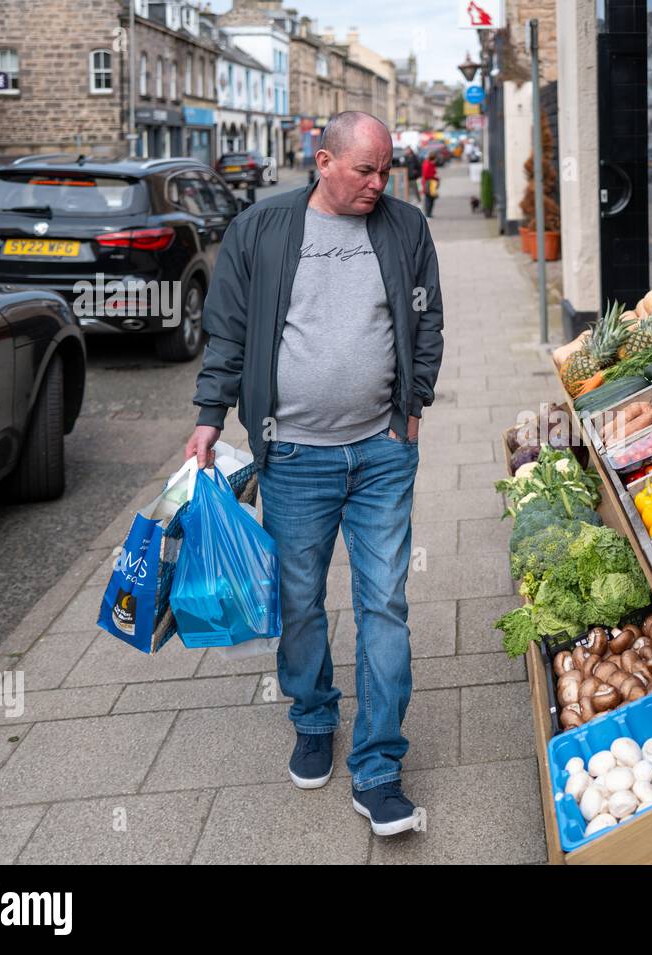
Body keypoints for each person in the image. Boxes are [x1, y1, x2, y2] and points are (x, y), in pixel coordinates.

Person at [186, 111, 444, 837]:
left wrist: (413, 406)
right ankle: (313, 714)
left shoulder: (404, 226)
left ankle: (381, 765)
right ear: (323, 160)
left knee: (384, 604)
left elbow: (427, 321)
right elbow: (228, 328)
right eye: (365, 169)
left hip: (383, 451)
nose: (378, 183)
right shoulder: (261, 230)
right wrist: (210, 414)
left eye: (386, 169)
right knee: (298, 599)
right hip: (293, 453)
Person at [421, 152, 439, 218]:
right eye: (436, 159)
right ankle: (427, 213)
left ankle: (429, 213)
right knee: (428, 198)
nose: (436, 161)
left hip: (431, 183)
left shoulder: (431, 164)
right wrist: (435, 177)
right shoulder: (427, 164)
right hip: (428, 183)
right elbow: (426, 175)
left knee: (432, 198)